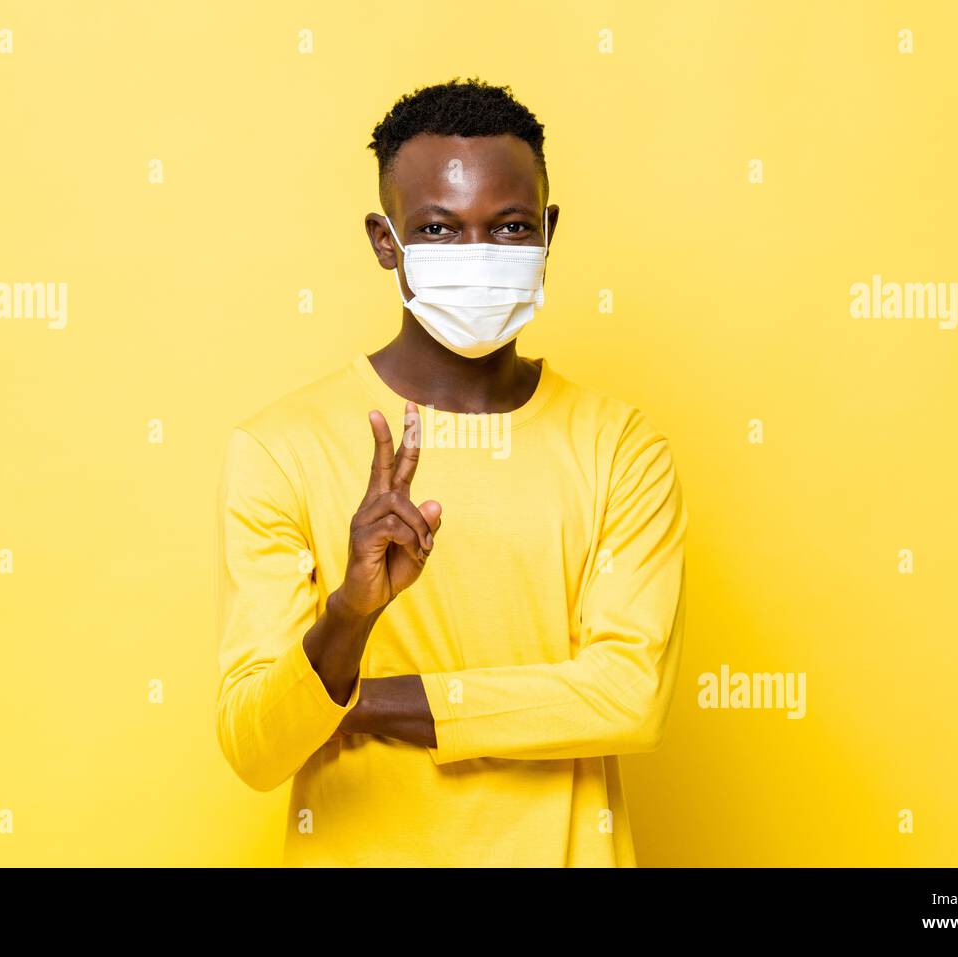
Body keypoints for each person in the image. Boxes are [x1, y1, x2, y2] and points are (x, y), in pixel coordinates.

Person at [216, 78, 687, 866]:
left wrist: (355, 700)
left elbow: (629, 696)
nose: (476, 256)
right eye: (437, 229)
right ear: (383, 240)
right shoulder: (280, 447)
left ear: (549, 233)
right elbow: (255, 747)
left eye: (508, 228)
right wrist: (348, 616)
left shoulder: (621, 447)